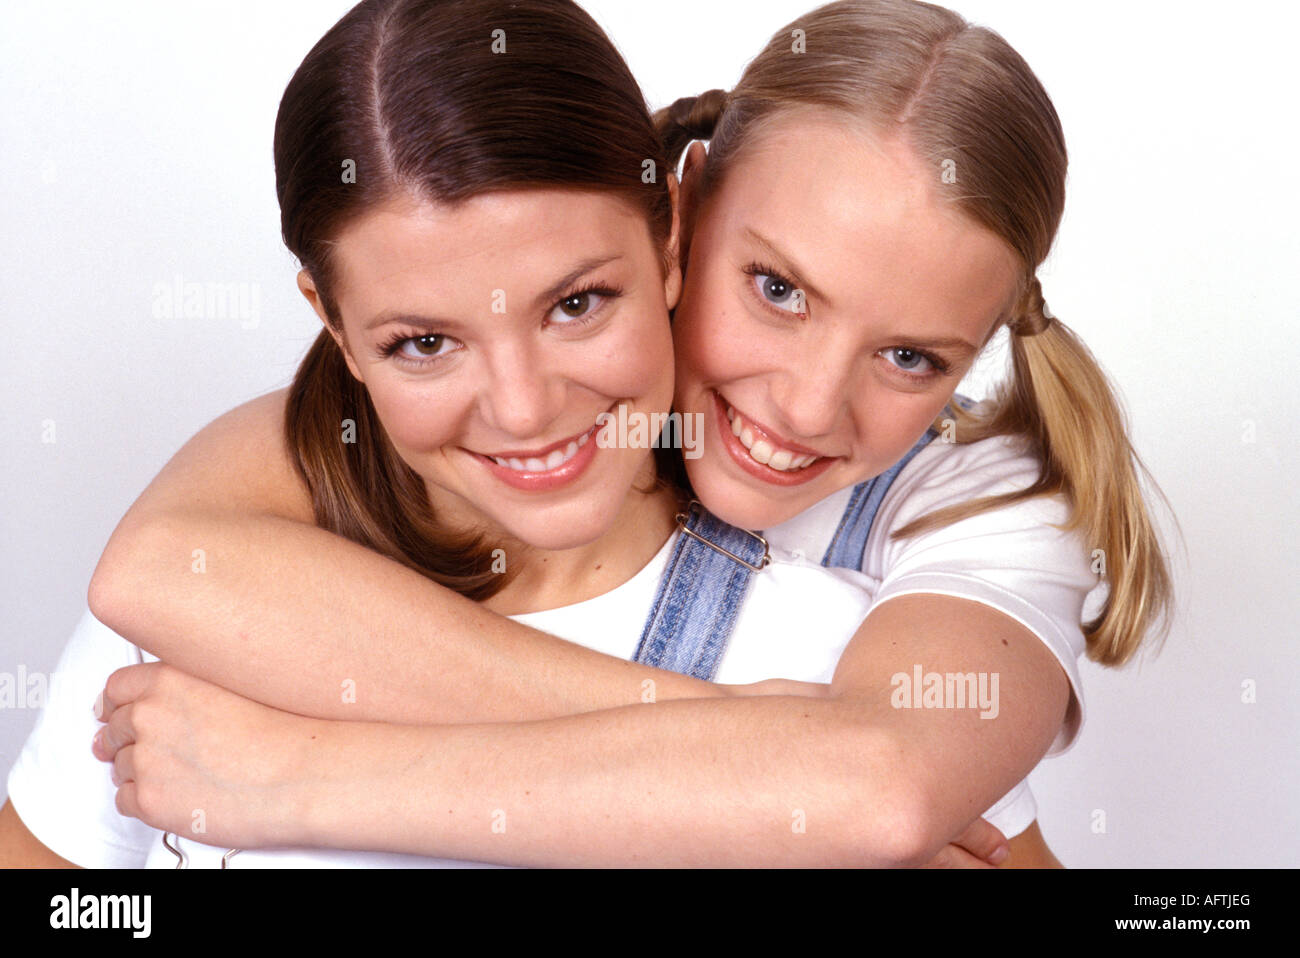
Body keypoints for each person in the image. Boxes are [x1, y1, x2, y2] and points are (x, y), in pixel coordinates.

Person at [1, 0, 1022, 869]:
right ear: (334, 326)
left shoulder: (844, 652)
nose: (524, 407)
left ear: (669, 231)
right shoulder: (216, 592)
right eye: (425, 341)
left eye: (575, 305)